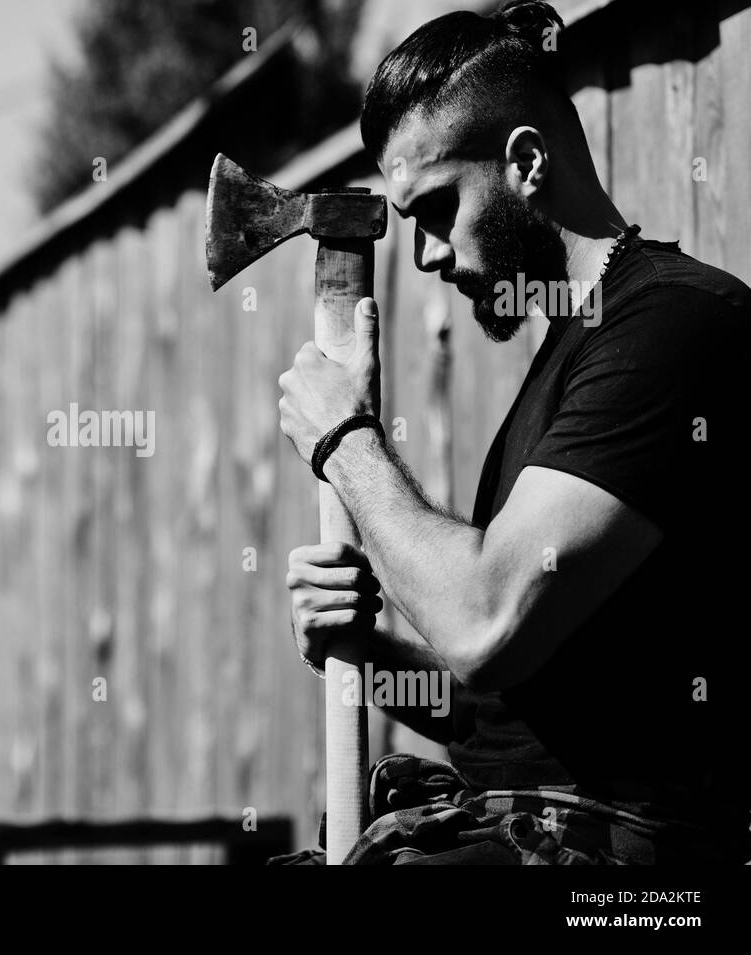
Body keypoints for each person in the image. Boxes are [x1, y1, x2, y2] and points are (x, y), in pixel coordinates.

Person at [275, 0, 749, 864]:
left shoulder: (673, 327)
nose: (423, 256)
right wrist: (363, 650)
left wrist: (346, 439)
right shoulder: (572, 357)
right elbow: (506, 711)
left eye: (433, 208)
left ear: (526, 162)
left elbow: (485, 619)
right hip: (526, 822)